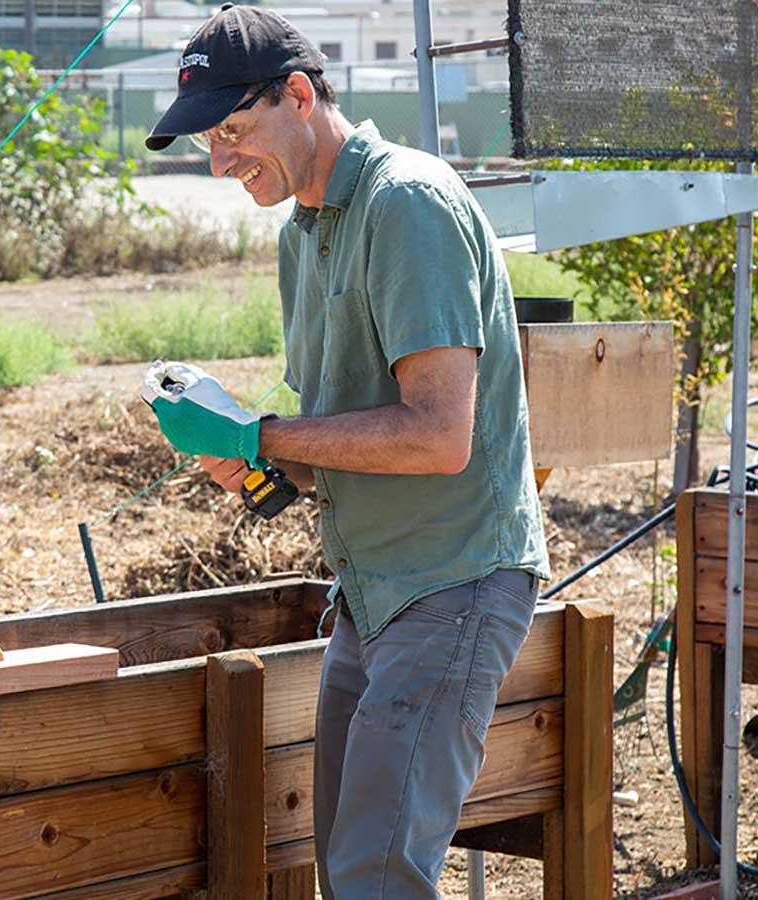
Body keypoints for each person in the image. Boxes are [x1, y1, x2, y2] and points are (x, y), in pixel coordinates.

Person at [141, 6, 549, 897]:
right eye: (209, 142)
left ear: (299, 93)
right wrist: (254, 455)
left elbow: (440, 436)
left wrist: (264, 437)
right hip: (372, 589)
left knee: (376, 875)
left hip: (452, 581)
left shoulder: (406, 202)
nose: (219, 161)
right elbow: (348, 435)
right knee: (351, 869)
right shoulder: (306, 229)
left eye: (233, 130)